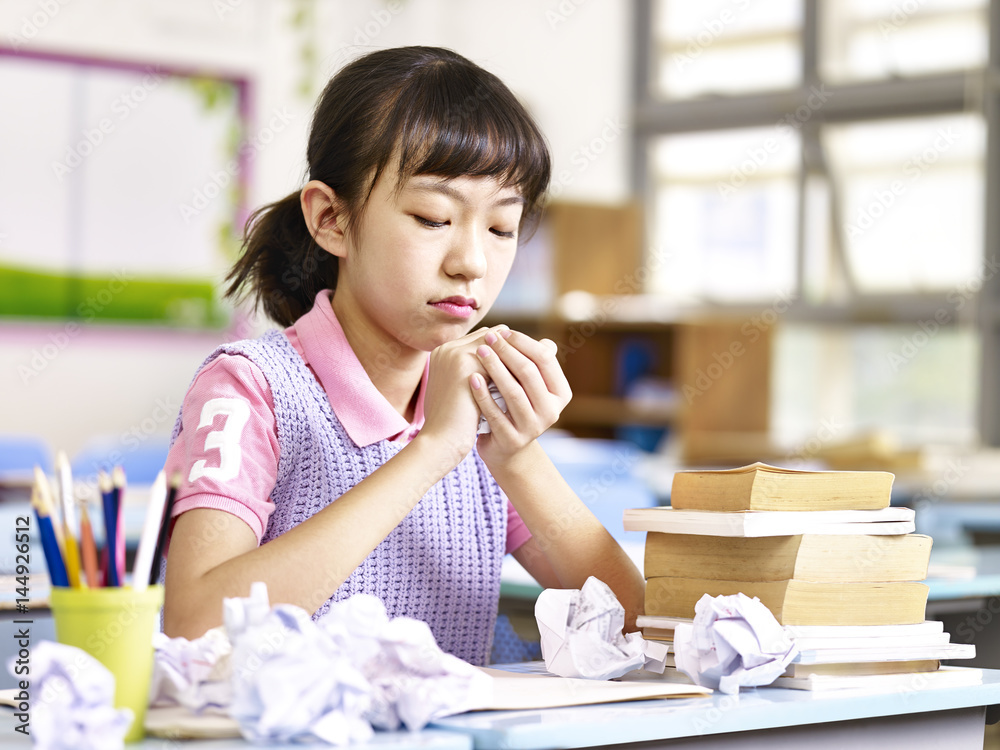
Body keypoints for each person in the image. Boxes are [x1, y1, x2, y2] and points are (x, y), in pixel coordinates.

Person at [161, 45, 644, 666]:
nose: (471, 262)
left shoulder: (480, 407)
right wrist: (433, 449)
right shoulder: (249, 388)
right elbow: (197, 626)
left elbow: (633, 623)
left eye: (501, 228)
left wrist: (517, 458)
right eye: (432, 217)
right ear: (332, 219)